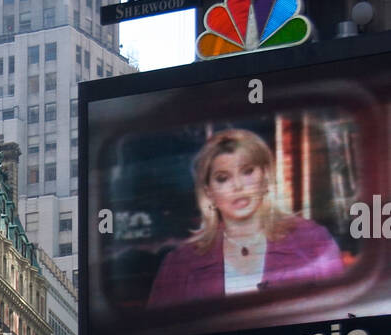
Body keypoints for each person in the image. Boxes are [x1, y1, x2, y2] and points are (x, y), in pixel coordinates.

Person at [147, 128, 345, 308]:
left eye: (247, 171)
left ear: (265, 177)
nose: (238, 186)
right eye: (223, 178)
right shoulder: (180, 264)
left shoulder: (313, 241)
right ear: (209, 192)